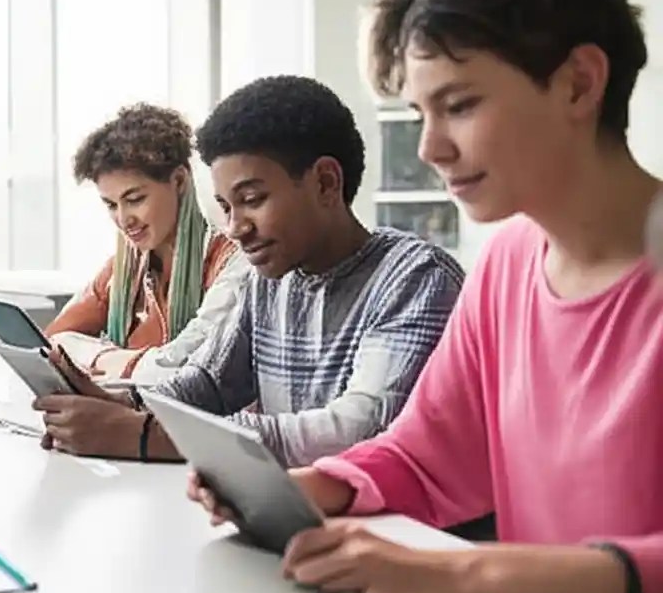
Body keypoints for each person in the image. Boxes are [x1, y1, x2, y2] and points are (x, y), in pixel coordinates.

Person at [189, 0, 663, 593]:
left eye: (460, 106)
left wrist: (469, 575)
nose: (431, 148)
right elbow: (427, 454)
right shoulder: (508, 265)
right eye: (420, 113)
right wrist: (305, 488)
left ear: (578, 83)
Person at [37, 76, 463, 465]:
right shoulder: (270, 279)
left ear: (326, 183)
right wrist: (118, 404)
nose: (235, 228)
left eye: (252, 200)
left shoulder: (415, 279)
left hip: (381, 520)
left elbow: (355, 432)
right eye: (226, 206)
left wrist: (142, 435)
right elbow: (206, 385)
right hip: (286, 508)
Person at [45, 103, 243, 383]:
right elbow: (52, 341)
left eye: (135, 199)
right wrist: (108, 359)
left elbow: (184, 364)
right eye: (111, 205)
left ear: (179, 181)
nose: (123, 219)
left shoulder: (229, 263)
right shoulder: (122, 270)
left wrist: (102, 358)